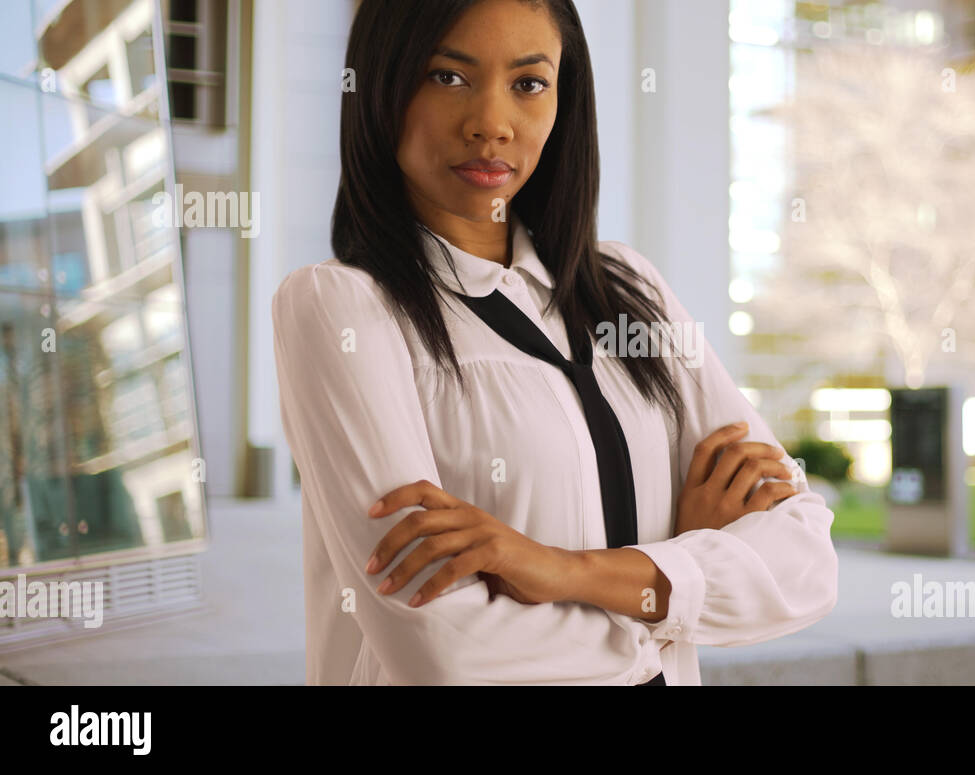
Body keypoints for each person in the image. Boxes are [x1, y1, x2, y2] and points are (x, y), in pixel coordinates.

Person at [271, 0, 838, 685]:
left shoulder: (632, 290)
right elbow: (447, 651)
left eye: (529, 83)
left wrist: (560, 570)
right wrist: (674, 579)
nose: (491, 124)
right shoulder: (342, 308)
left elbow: (806, 559)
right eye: (448, 77)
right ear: (384, 85)